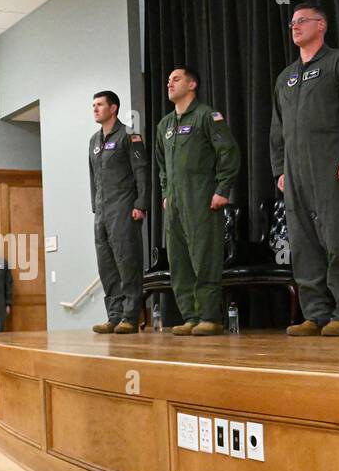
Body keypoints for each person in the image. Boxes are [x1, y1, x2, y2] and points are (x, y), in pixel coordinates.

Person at [270, 2, 339, 337]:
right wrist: (279, 170)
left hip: (331, 164)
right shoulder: (286, 77)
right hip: (294, 170)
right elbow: (277, 128)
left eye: (302, 21)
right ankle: (315, 314)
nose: (295, 27)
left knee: (338, 238)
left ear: (321, 25)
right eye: (292, 23)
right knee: (303, 242)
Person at [155, 67, 240, 336]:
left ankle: (209, 316)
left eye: (176, 79)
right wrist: (166, 192)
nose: (170, 83)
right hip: (176, 204)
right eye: (168, 80)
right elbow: (162, 166)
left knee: (205, 258)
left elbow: (228, 152)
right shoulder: (165, 125)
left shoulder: (207, 116)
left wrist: (223, 188)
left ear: (192, 84)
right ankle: (190, 316)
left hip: (202, 198)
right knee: (179, 260)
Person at [88, 90, 148, 334]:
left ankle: (130, 316)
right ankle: (114, 315)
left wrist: (140, 204)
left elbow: (141, 171)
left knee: (127, 262)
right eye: (93, 105)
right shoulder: (93, 140)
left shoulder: (129, 135)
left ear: (113, 108)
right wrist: (95, 207)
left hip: (123, 208)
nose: (95, 108)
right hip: (101, 212)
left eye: (100, 104)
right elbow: (92, 176)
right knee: (107, 266)